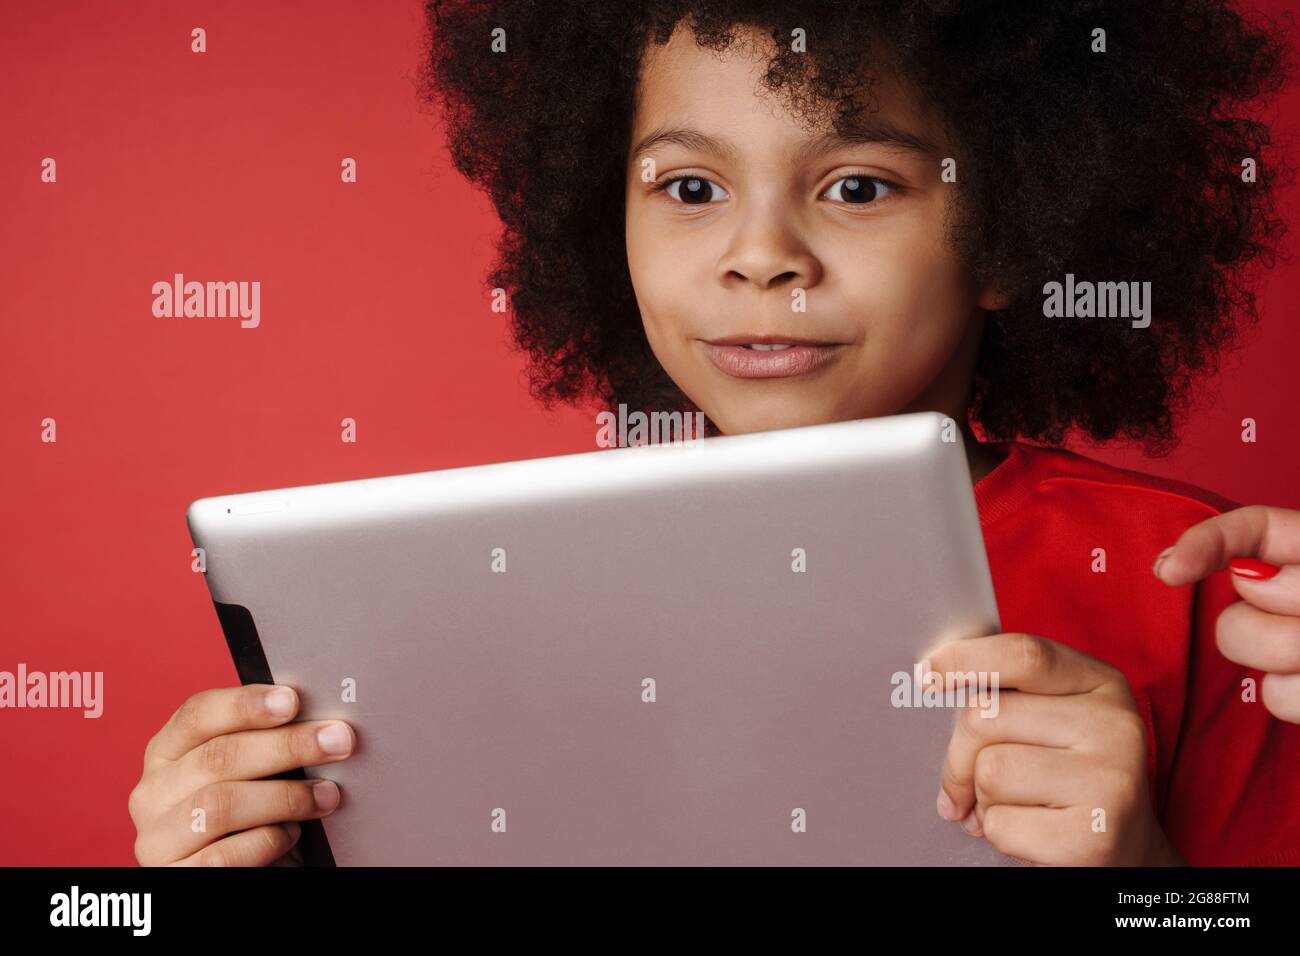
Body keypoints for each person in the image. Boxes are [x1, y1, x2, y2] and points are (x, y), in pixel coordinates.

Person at [130, 0, 1300, 865]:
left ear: (1002, 235)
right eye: (690, 190)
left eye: (854, 185)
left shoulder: (1192, 582)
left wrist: (1140, 869)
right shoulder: (483, 585)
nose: (760, 255)